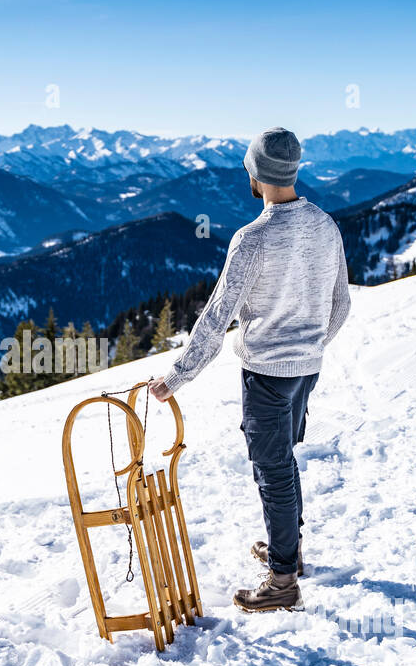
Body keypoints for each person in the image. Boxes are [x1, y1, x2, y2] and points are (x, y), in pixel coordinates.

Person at [148, 127, 350, 612]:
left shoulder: (252, 239)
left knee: (272, 469)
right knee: (283, 462)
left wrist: (176, 377)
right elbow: (341, 304)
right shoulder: (326, 225)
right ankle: (289, 552)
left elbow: (218, 316)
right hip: (306, 369)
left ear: (254, 174)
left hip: (266, 375)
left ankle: (282, 581)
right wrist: (308, 348)